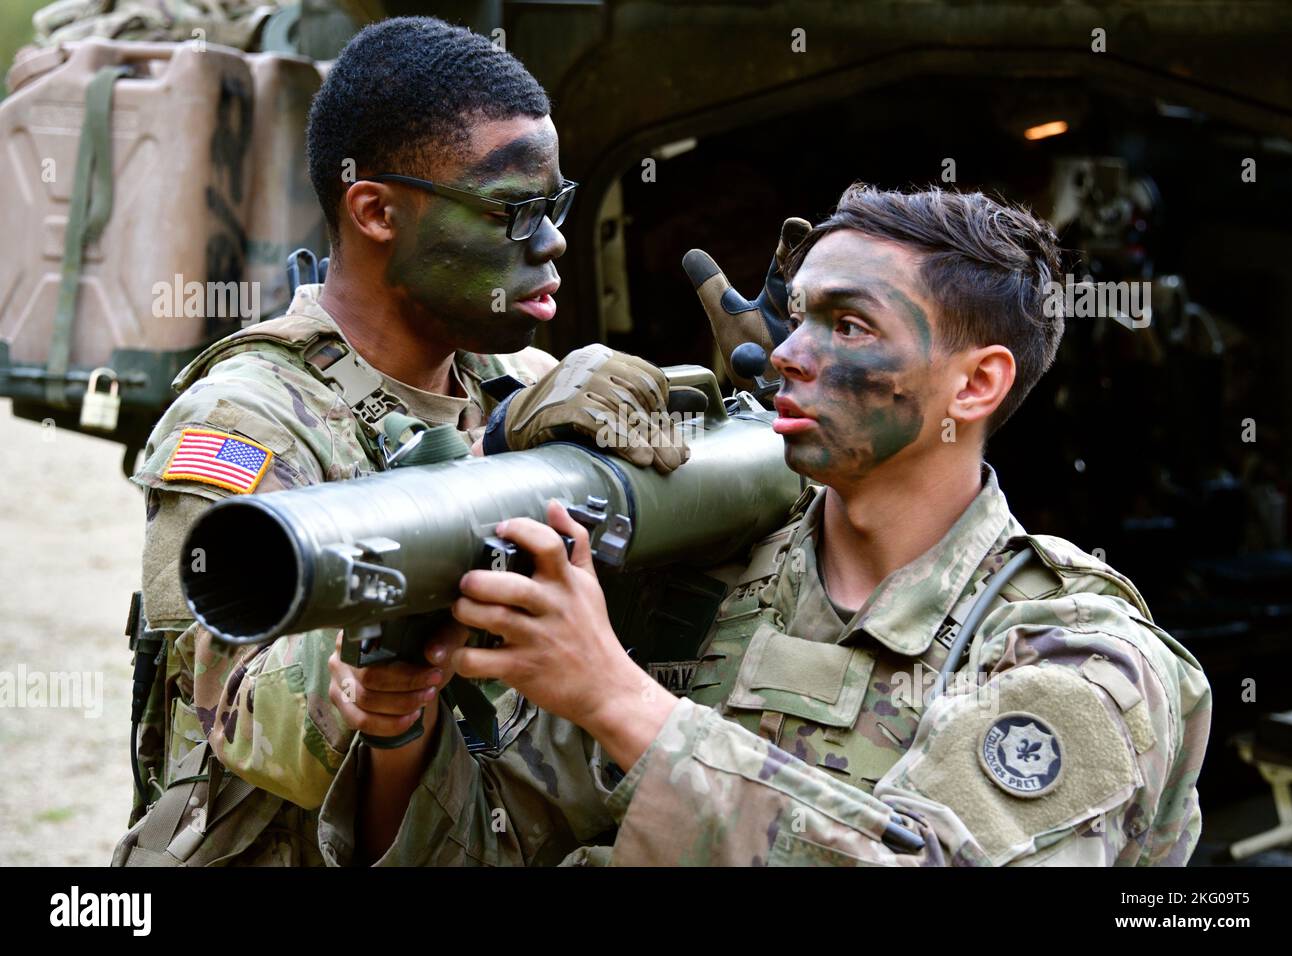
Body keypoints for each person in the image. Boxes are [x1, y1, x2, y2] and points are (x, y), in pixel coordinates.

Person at [319, 185, 1212, 867]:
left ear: (974, 384)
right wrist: (400, 734)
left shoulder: (1077, 653)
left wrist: (617, 697)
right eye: (799, 317)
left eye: (849, 324)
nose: (786, 352)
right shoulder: (704, 585)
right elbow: (490, 845)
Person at [114, 16, 683, 867]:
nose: (553, 239)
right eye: (514, 210)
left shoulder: (523, 382)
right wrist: (492, 463)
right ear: (376, 210)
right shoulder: (243, 419)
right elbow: (238, 719)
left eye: (554, 205)